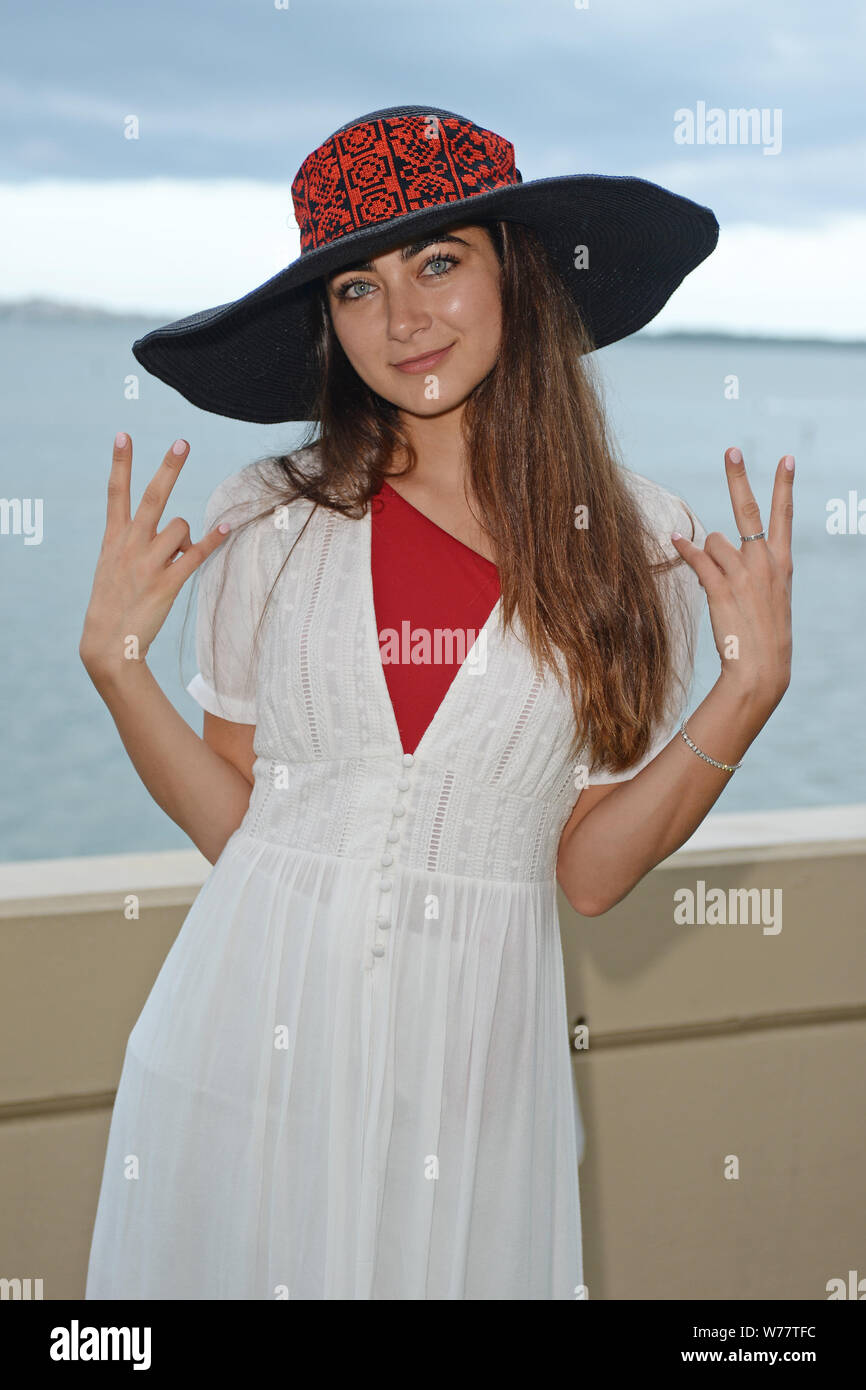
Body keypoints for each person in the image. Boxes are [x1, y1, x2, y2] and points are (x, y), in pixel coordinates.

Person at [79, 105, 793, 1300]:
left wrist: (748, 689)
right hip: (247, 1044)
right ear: (328, 322)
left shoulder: (641, 547)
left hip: (474, 1081)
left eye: (438, 262)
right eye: (355, 287)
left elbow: (588, 872)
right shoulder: (271, 518)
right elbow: (244, 832)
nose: (402, 317)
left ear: (513, 273)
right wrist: (117, 667)